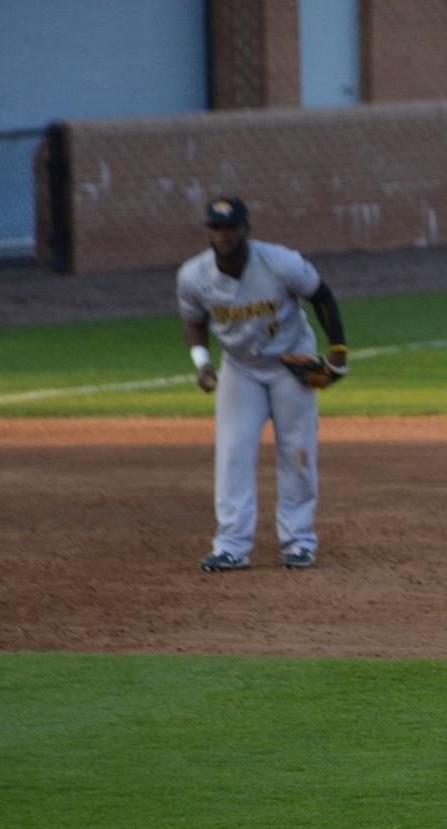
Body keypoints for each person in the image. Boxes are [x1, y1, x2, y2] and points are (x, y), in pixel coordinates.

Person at [176, 196, 347, 572]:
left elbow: (321, 296)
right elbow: (194, 321)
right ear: (209, 232)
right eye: (217, 228)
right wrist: (202, 363)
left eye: (232, 228)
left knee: (297, 450)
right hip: (242, 368)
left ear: (246, 229)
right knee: (234, 451)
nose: (225, 236)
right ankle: (231, 546)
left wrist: (337, 349)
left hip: (292, 363)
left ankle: (299, 542)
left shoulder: (280, 262)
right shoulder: (193, 276)